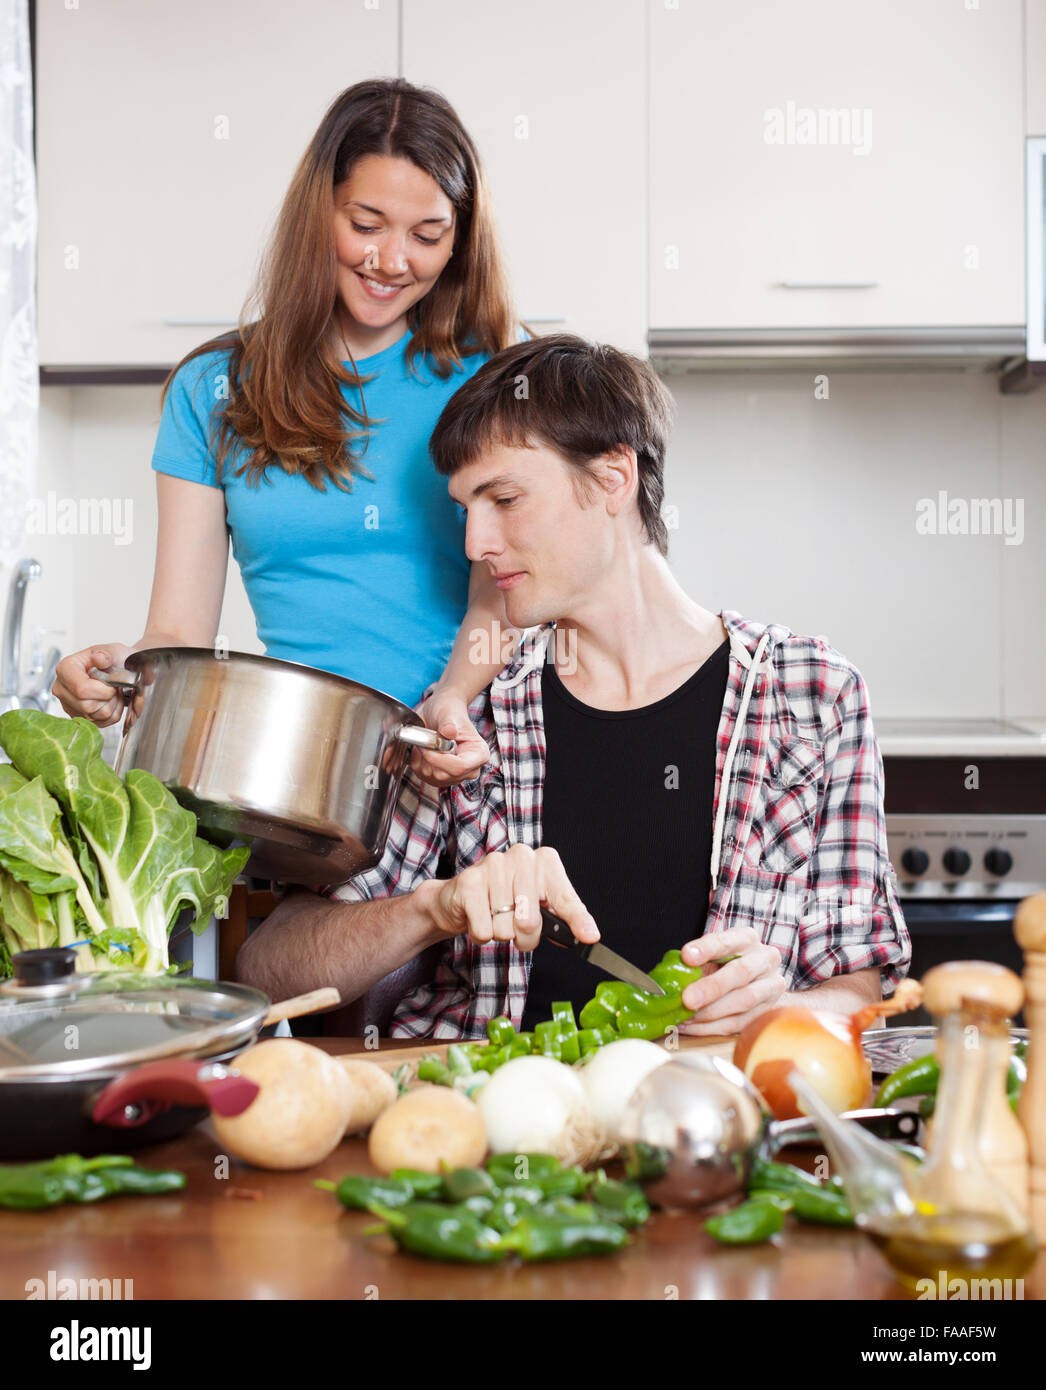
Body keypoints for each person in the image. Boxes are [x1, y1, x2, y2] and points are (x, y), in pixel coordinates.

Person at [236, 335, 911, 1038]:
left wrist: (781, 1009)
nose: (474, 544)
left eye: (503, 498)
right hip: (493, 1128)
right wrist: (433, 908)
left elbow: (860, 990)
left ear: (614, 478)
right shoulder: (469, 725)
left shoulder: (814, 697)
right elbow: (270, 971)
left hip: (713, 1128)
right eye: (467, 509)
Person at [51, 78, 526, 785]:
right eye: (365, 226)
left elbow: (505, 589)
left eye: (427, 236)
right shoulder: (211, 391)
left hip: (471, 743)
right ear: (317, 213)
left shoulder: (493, 377)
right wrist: (115, 677)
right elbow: (179, 633)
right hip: (302, 764)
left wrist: (451, 699)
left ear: (458, 241)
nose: (392, 261)